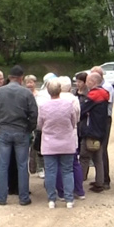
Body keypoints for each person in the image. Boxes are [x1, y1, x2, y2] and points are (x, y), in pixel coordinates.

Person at [0, 65, 38, 206]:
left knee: (3, 165)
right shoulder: (26, 93)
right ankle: (23, 197)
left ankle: (2, 197)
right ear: (21, 78)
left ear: (9, 77)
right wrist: (29, 128)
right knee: (22, 165)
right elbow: (34, 114)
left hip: (4, 130)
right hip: (21, 131)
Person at [38, 79, 78, 209]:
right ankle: (69, 199)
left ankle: (51, 199)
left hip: (49, 143)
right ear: (60, 90)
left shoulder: (43, 106)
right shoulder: (68, 104)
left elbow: (39, 124)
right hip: (66, 142)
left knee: (50, 172)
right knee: (67, 170)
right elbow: (74, 121)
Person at [54, 76, 85, 201]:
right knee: (74, 163)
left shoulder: (55, 99)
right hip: (71, 133)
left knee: (59, 165)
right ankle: (79, 190)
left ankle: (62, 192)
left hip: (57, 135)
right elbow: (77, 117)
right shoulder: (74, 99)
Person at [79, 72, 110, 193]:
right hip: (101, 129)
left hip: (91, 130)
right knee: (98, 158)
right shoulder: (104, 93)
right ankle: (100, 183)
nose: (86, 83)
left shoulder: (93, 95)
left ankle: (78, 183)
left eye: (87, 81)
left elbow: (82, 110)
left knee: (84, 157)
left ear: (92, 82)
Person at [91, 65, 114, 190]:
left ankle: (105, 179)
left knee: (102, 149)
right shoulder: (97, 88)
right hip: (98, 120)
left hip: (104, 120)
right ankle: (99, 178)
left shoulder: (106, 88)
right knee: (95, 148)